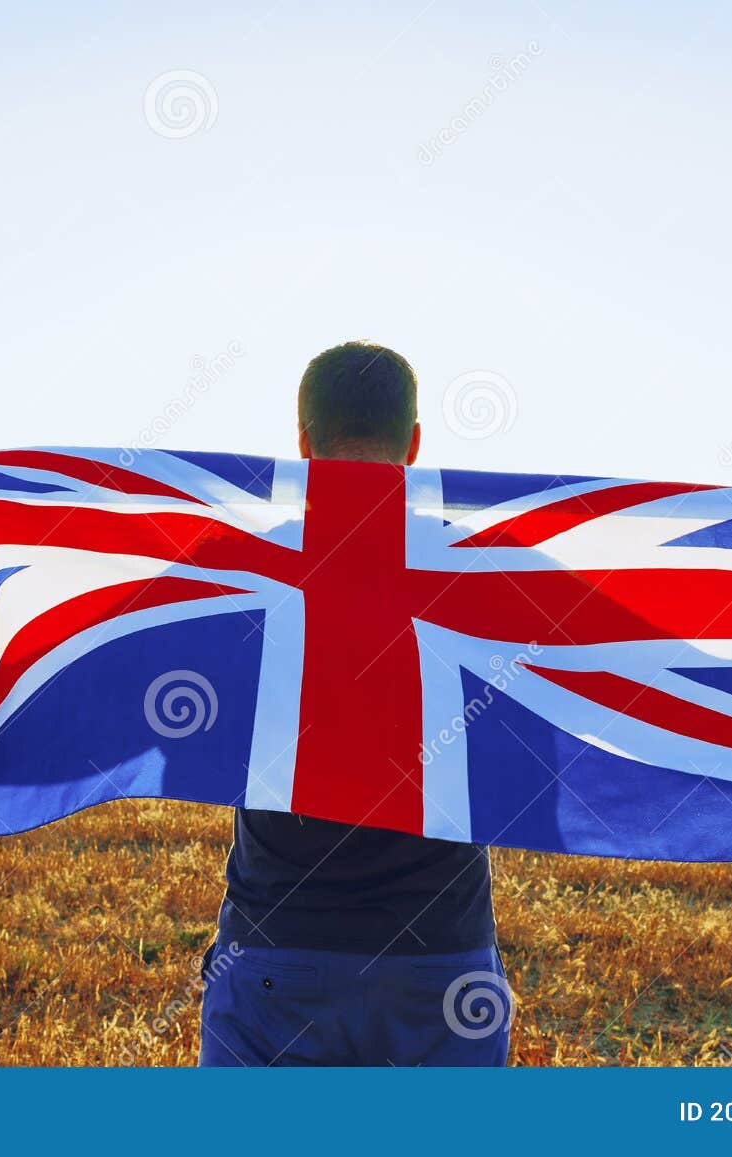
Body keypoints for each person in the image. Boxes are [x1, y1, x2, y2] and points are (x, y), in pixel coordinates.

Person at [198, 340, 509, 1067]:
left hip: (277, 951)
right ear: (417, 442)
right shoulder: (480, 568)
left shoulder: (246, 563)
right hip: (443, 960)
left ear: (302, 443)